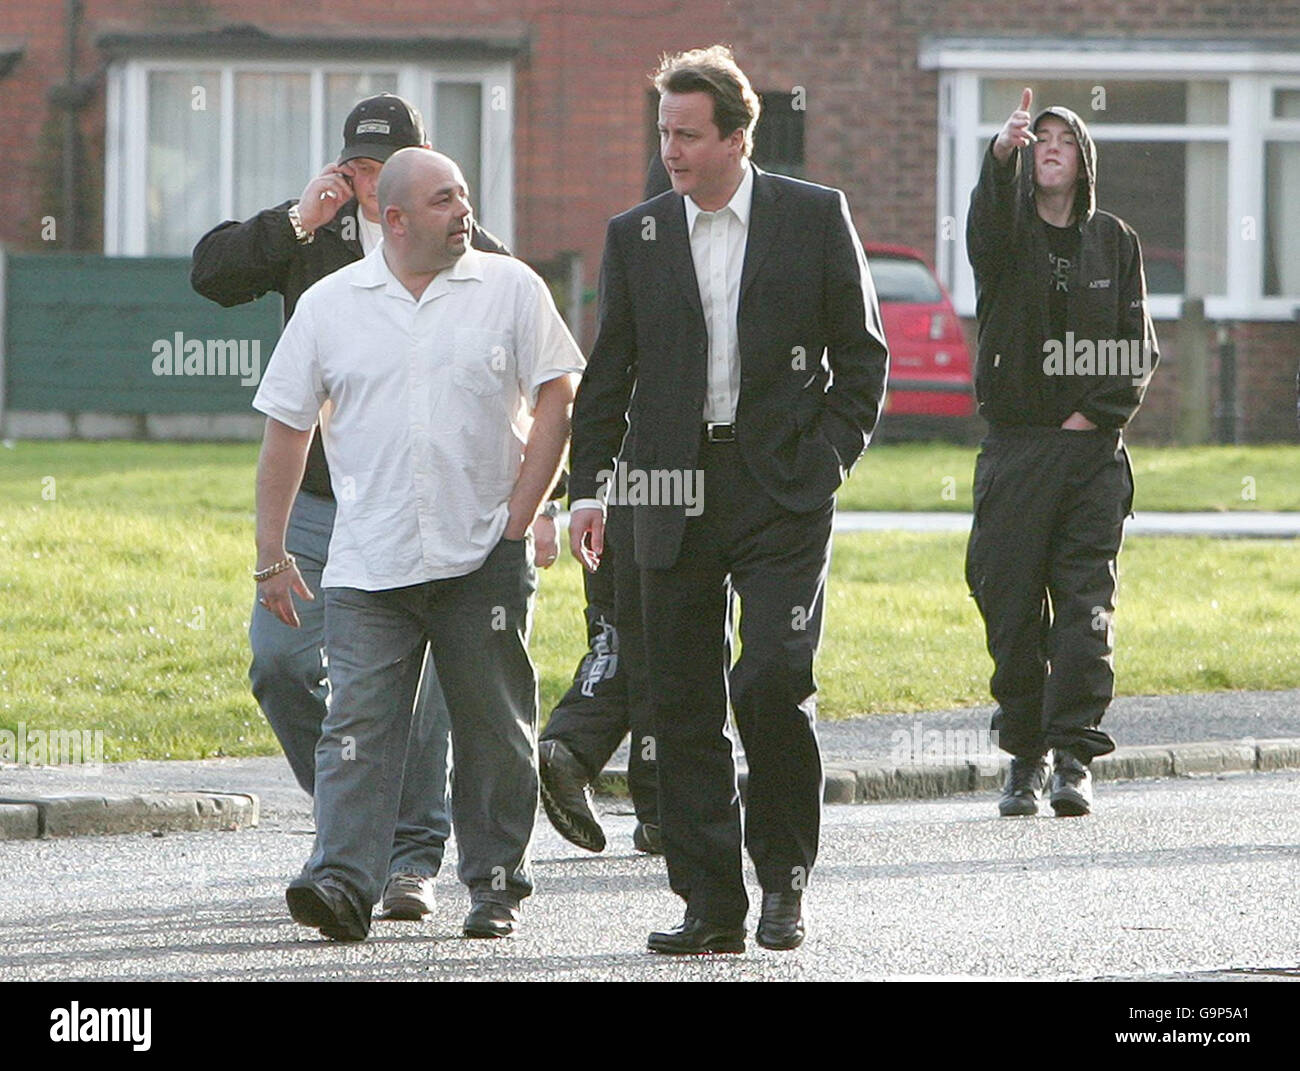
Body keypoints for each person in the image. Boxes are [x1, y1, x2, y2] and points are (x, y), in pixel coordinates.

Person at [568, 46, 889, 953]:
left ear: (737, 138)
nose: (669, 149)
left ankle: (784, 878)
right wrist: (588, 491)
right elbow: (609, 374)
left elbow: (863, 358)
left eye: (687, 133)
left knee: (774, 678)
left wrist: (826, 458)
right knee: (679, 700)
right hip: (666, 489)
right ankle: (711, 905)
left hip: (781, 487)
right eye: (663, 132)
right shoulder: (638, 234)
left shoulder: (813, 216)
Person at [191, 94, 527, 922]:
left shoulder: (467, 249)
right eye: (358, 171)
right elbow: (211, 276)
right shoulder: (319, 237)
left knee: (421, 696)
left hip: (426, 513)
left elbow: (529, 380)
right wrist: (295, 220)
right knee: (279, 663)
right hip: (319, 501)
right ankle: (357, 815)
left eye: (384, 170)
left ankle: (408, 853)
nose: (371, 188)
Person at [252, 147, 582, 942]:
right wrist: (271, 553)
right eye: (443, 200)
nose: (463, 211)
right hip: (371, 560)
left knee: (495, 727)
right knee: (357, 726)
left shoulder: (511, 288)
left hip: (482, 559)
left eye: (464, 195)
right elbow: (287, 431)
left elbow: (560, 391)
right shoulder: (331, 305)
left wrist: (521, 512)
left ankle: (495, 882)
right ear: (393, 219)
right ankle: (340, 880)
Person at [964, 88, 1158, 819]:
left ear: (1083, 160)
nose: (1049, 146)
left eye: (1063, 140)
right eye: (1038, 137)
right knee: (1009, 603)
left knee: (1083, 606)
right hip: (1015, 452)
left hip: (1089, 458)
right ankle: (1024, 754)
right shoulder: (1006, 235)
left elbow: (1138, 346)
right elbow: (982, 229)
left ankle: (1073, 753)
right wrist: (997, 156)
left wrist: (1091, 415)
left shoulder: (1115, 240)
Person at [537, 155, 672, 857]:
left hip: (617, 480)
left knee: (621, 637)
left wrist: (584, 488)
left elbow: (599, 378)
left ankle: (573, 746)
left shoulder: (630, 258)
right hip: (668, 488)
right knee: (670, 645)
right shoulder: (696, 264)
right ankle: (654, 802)